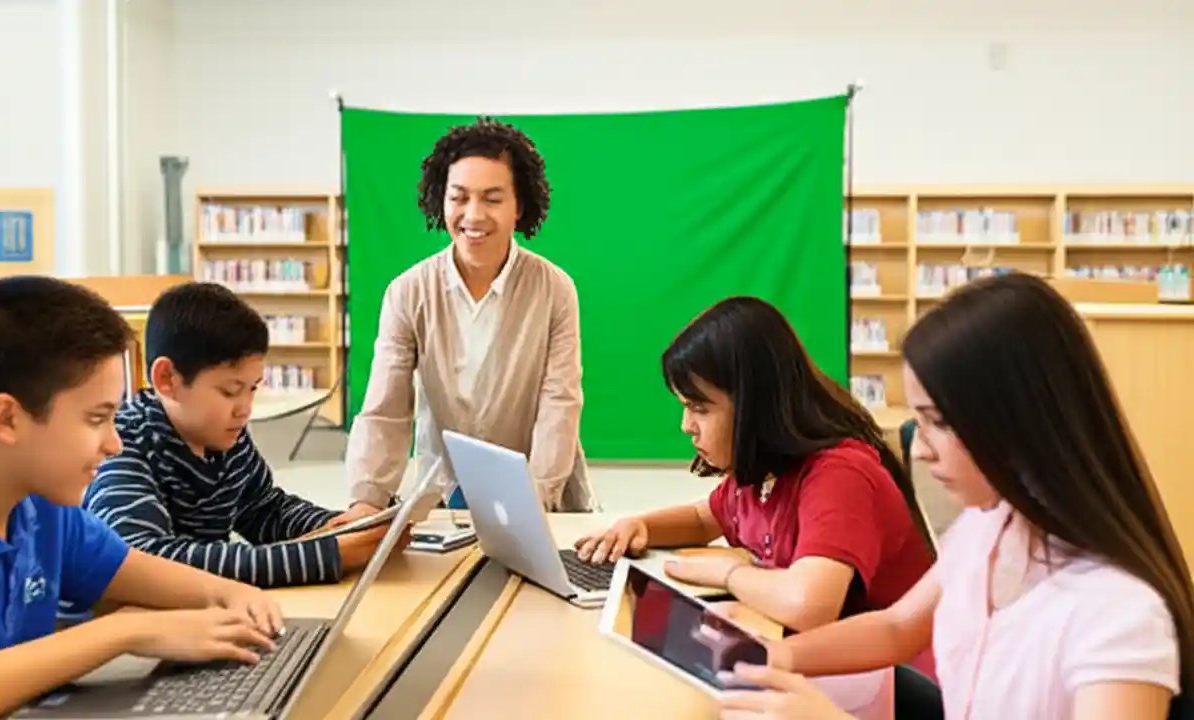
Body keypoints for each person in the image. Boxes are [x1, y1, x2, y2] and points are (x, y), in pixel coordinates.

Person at [716, 273, 1194, 720]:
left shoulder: (1117, 614)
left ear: (1020, 422)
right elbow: (897, 628)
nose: (920, 451)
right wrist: (770, 656)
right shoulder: (989, 525)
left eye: (938, 423)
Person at [0, 276, 283, 719]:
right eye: (96, 419)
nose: (115, 444)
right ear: (8, 418)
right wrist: (121, 632)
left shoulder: (42, 505)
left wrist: (235, 595)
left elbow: (151, 577)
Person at [575, 296, 935, 643]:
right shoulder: (763, 468)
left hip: (894, 682)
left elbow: (810, 605)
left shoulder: (839, 474)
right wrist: (641, 526)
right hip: (832, 662)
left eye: (699, 408)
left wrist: (729, 575)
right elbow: (705, 518)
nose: (686, 425)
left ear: (754, 406)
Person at [340, 116, 594, 521]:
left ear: (519, 206)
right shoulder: (408, 292)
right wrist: (367, 499)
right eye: (459, 197)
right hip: (445, 491)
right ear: (441, 200)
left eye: (492, 199)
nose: (473, 216)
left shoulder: (554, 289)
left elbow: (559, 403)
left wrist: (536, 497)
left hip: (537, 492)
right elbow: (384, 408)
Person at [84, 282, 392, 588]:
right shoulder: (122, 443)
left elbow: (264, 509)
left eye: (253, 388)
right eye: (230, 391)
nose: (244, 408)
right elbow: (146, 563)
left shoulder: (225, 437)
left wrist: (347, 526)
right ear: (167, 379)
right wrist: (326, 556)